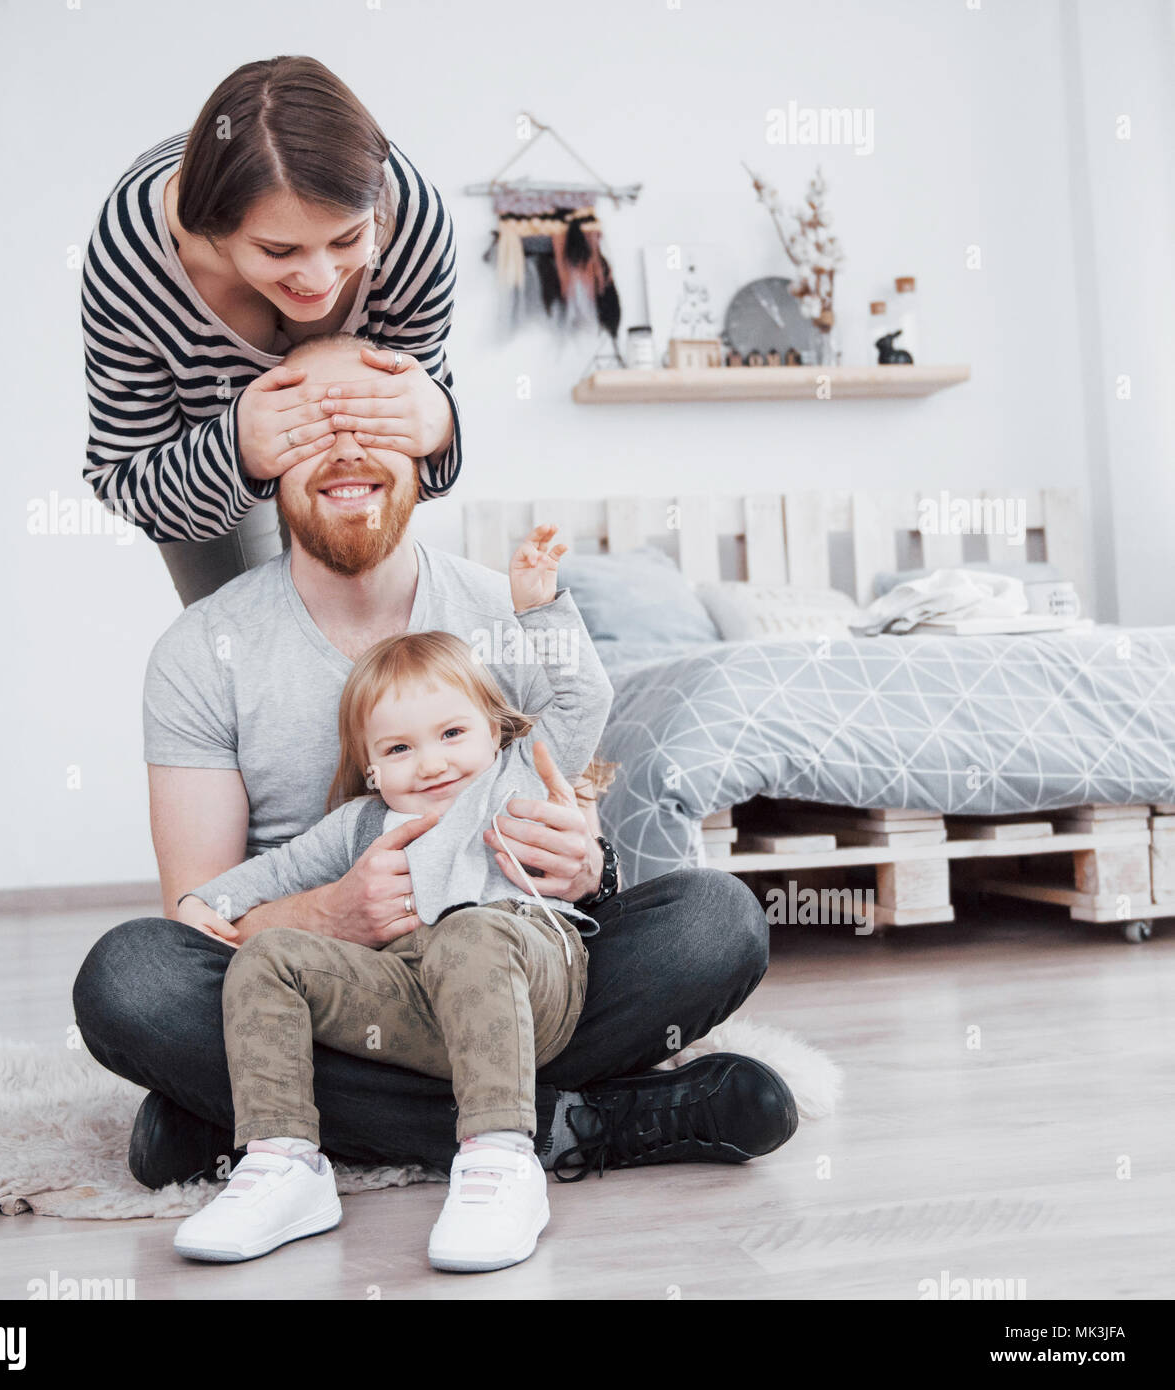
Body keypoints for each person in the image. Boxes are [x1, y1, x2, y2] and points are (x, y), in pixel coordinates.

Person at [72, 330, 797, 1197]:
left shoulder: (510, 611)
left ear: (425, 446)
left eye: (374, 421)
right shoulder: (200, 650)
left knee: (714, 919)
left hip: (512, 959)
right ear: (264, 464)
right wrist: (332, 914)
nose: (346, 452)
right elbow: (197, 923)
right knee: (132, 979)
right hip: (324, 987)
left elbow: (570, 772)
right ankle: (586, 1121)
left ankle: (261, 1117)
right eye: (308, 428)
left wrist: (586, 869)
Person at [172, 525, 610, 1271]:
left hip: (527, 979)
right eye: (400, 749)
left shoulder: (514, 774)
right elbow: (265, 878)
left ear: (496, 730)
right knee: (270, 955)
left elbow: (585, 694)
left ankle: (503, 1157)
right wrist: (198, 906)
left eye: (450, 733)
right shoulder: (364, 824)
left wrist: (542, 609)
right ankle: (285, 1164)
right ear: (371, 768)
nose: (432, 763)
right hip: (412, 1005)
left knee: (484, 933)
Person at [81, 55, 460, 606]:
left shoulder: (410, 221)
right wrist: (236, 450)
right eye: (278, 250)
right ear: (212, 230)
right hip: (202, 470)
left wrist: (441, 423)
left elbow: (418, 447)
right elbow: (125, 478)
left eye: (347, 240)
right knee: (238, 641)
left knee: (366, 636)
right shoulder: (131, 260)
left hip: (353, 476)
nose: (320, 279)